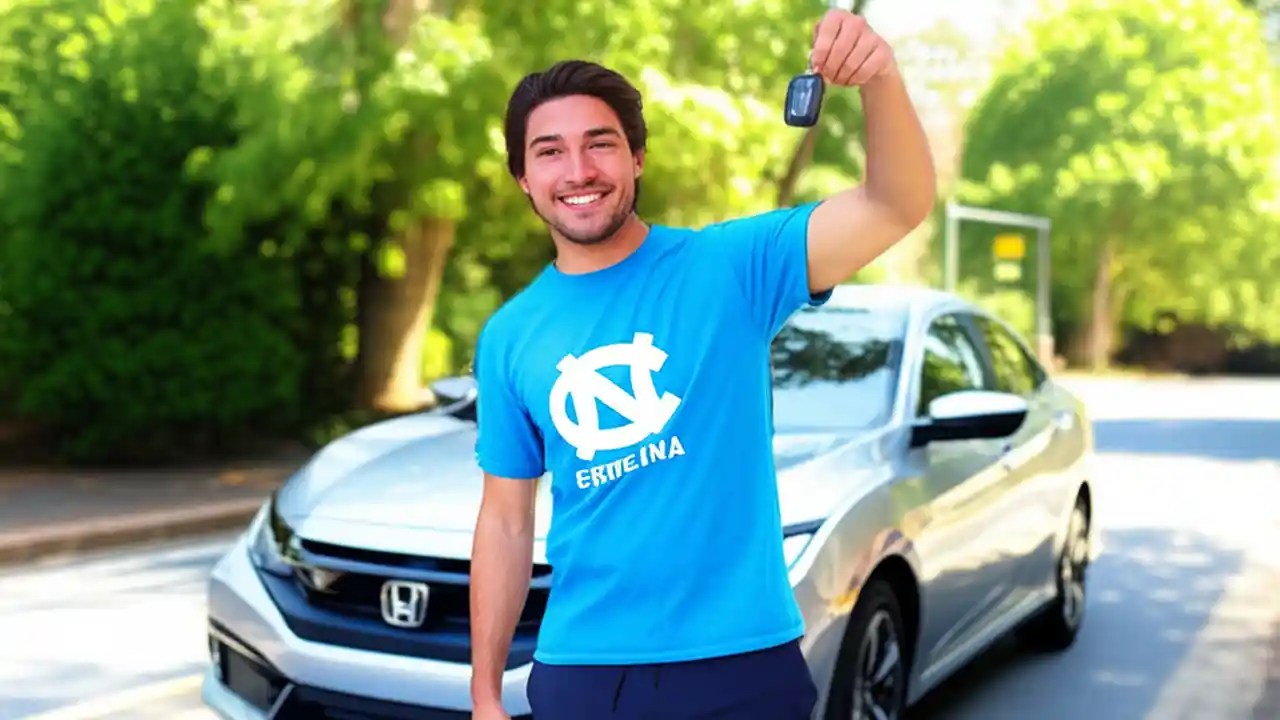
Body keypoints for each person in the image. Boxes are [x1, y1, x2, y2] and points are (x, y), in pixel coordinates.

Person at [468, 8, 935, 719]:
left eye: (600, 144)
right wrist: (483, 695)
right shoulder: (509, 335)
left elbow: (896, 204)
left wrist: (879, 77)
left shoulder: (733, 266)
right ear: (523, 180)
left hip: (741, 665)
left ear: (637, 158)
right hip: (585, 675)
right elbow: (505, 522)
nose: (579, 170)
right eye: (550, 152)